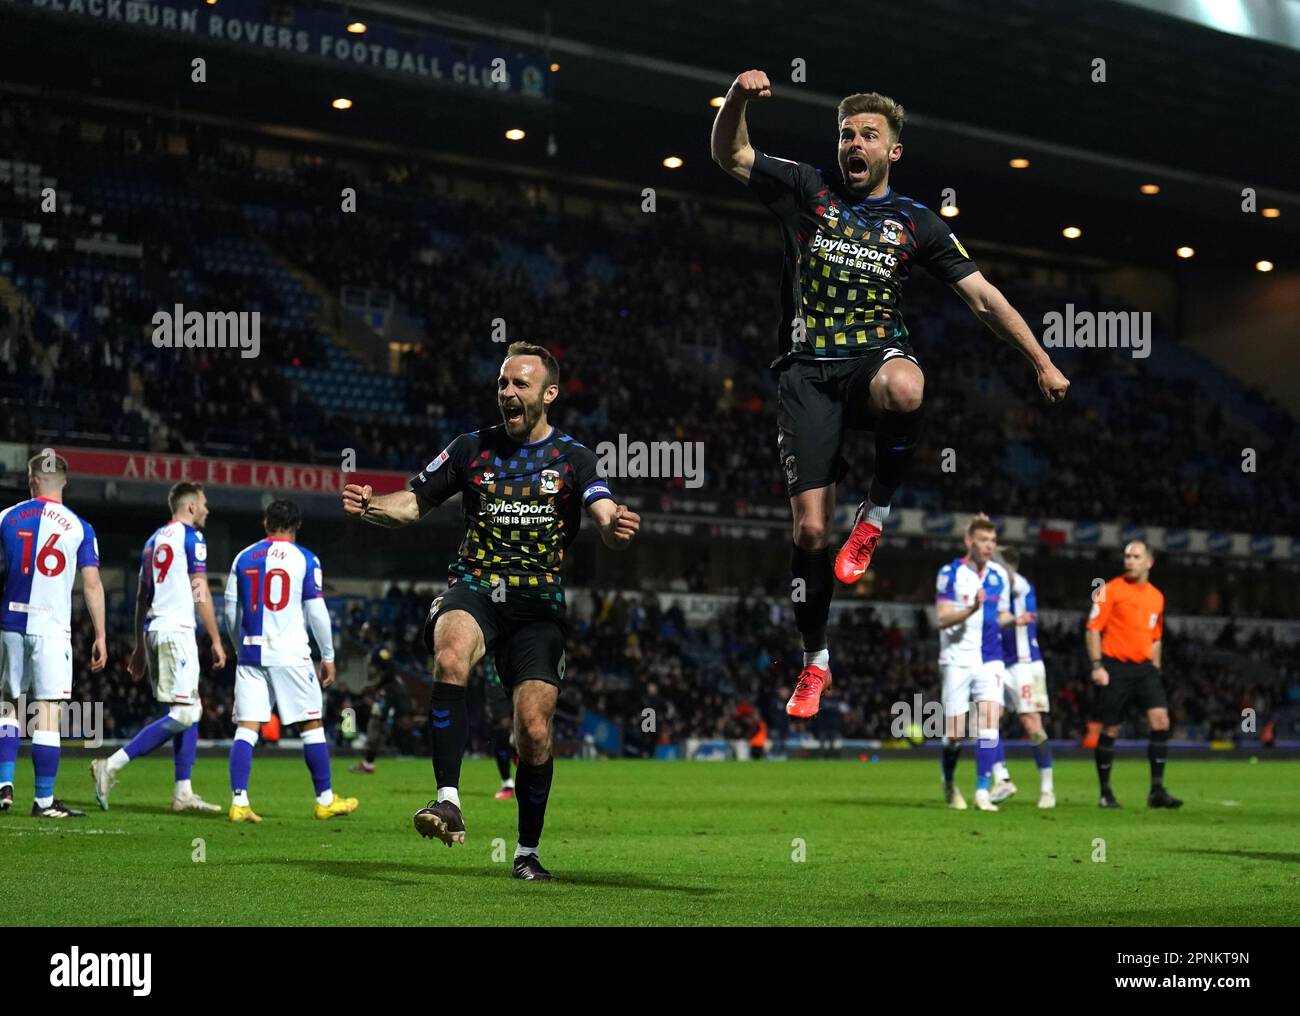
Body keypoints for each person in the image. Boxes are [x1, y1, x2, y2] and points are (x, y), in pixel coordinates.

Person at [710, 70, 1069, 720]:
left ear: (891, 151)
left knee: (907, 384)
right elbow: (729, 154)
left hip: (873, 360)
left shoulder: (915, 222)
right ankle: (814, 658)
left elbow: (983, 297)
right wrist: (736, 98)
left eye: (868, 135)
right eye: (846, 133)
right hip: (806, 372)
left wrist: (1041, 360)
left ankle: (874, 514)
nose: (854, 143)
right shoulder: (805, 189)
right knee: (811, 531)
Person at [342, 342, 640, 881]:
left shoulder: (573, 458)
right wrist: (372, 506)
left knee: (532, 731)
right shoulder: (469, 449)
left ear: (548, 394)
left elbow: (602, 509)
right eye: (502, 383)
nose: (507, 392)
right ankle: (448, 800)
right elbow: (411, 503)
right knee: (451, 656)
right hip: (475, 586)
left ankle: (526, 851)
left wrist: (613, 525)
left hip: (538, 605)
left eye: (520, 384)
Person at [221, 498, 358, 822]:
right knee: (311, 724)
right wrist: (327, 655)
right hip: (292, 654)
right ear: (297, 526)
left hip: (252, 652)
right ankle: (324, 800)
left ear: (265, 523)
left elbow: (229, 611)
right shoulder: (306, 560)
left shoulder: (244, 557)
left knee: (247, 727)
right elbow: (317, 612)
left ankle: (239, 801)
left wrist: (239, 647)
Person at [91, 482, 223, 813]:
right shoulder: (192, 539)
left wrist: (139, 645)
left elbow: (141, 598)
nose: (207, 510)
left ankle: (183, 792)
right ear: (191, 507)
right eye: (203, 504)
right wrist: (217, 639)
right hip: (175, 631)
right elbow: (200, 591)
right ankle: (111, 764)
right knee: (185, 712)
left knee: (189, 709)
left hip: (155, 630)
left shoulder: (152, 542)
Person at [0, 452, 106, 817]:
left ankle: (2, 784)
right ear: (64, 482)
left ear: (31, 481)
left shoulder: (5, 518)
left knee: (8, 705)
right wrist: (101, 636)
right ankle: (44, 800)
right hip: (51, 628)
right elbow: (91, 585)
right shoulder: (80, 526)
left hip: (10, 624)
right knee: (47, 711)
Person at [1086, 541, 1181, 808]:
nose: (1129, 561)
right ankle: (1105, 792)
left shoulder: (1156, 596)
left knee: (1161, 720)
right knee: (1111, 728)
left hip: (1145, 669)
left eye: (1135, 556)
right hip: (1115, 666)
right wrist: (1097, 665)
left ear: (1148, 562)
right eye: (1127, 556)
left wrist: (1156, 669)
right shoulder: (1109, 590)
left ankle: (1157, 791)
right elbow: (1093, 629)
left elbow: (1156, 638)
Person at [934, 516, 1009, 812]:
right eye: (983, 540)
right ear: (969, 542)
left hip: (991, 659)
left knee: (989, 725)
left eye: (992, 541)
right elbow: (942, 618)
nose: (989, 546)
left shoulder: (998, 576)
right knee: (954, 734)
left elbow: (1000, 616)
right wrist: (972, 608)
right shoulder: (950, 573)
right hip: (957, 660)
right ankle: (949, 783)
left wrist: (1017, 625)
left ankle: (982, 791)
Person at [997, 547, 1054, 808]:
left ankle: (1047, 788)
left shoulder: (1021, 586)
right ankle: (1002, 779)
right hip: (996, 662)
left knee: (1031, 724)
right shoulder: (991, 587)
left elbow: (1010, 616)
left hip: (1025, 663)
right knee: (987, 718)